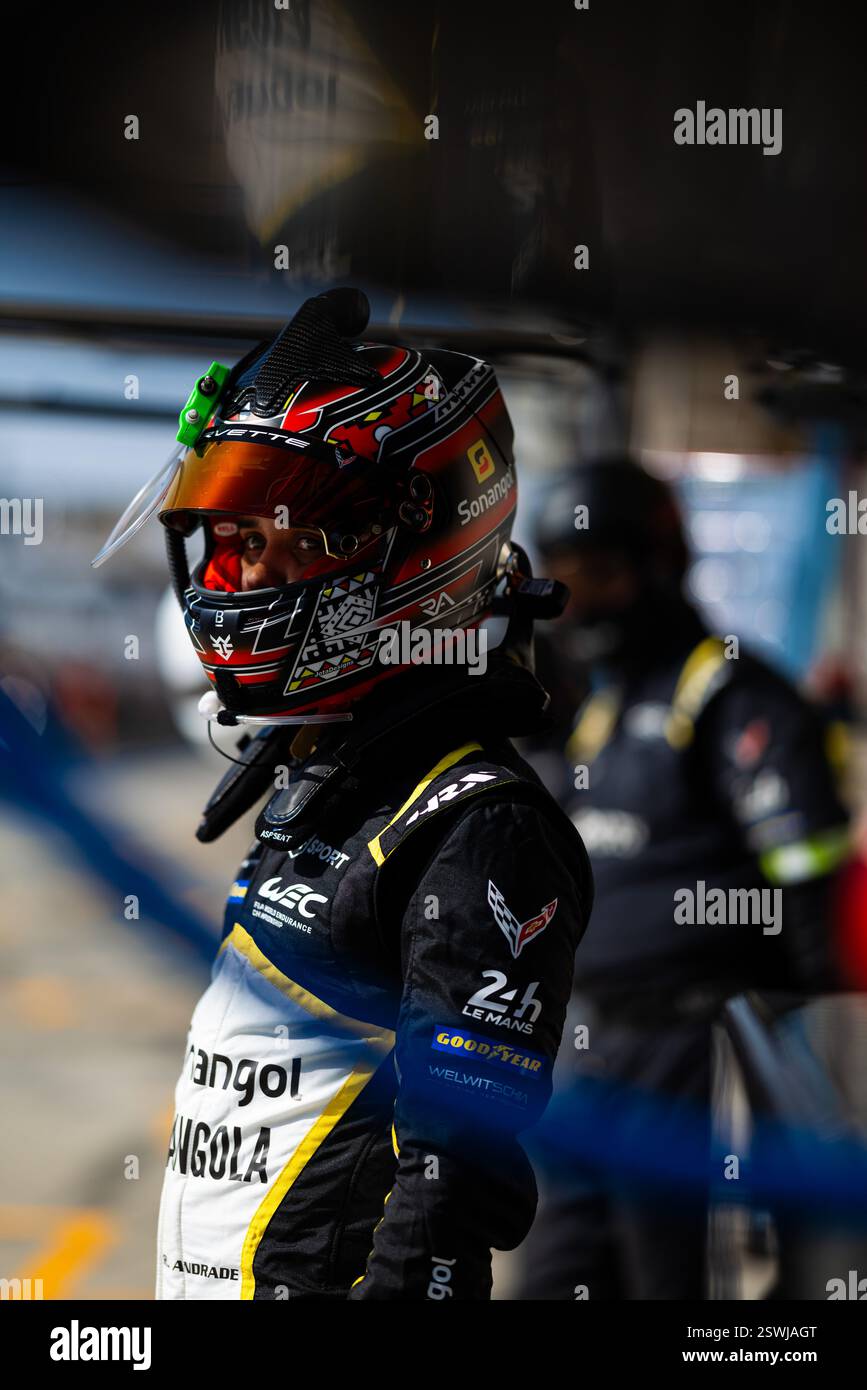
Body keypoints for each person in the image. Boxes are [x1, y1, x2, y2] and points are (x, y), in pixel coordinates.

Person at [94, 288, 593, 1300]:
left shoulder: (473, 824)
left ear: (404, 536)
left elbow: (450, 1189)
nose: (234, 578)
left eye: (273, 540)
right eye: (227, 541)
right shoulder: (322, 774)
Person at [518, 456, 850, 1300]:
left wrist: (790, 1093)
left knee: (674, 1287)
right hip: (592, 1055)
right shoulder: (591, 709)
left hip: (695, 1061)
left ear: (658, 564)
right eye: (563, 579)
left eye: (600, 574)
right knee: (555, 1275)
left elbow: (814, 892)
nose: (581, 601)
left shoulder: (733, 696)